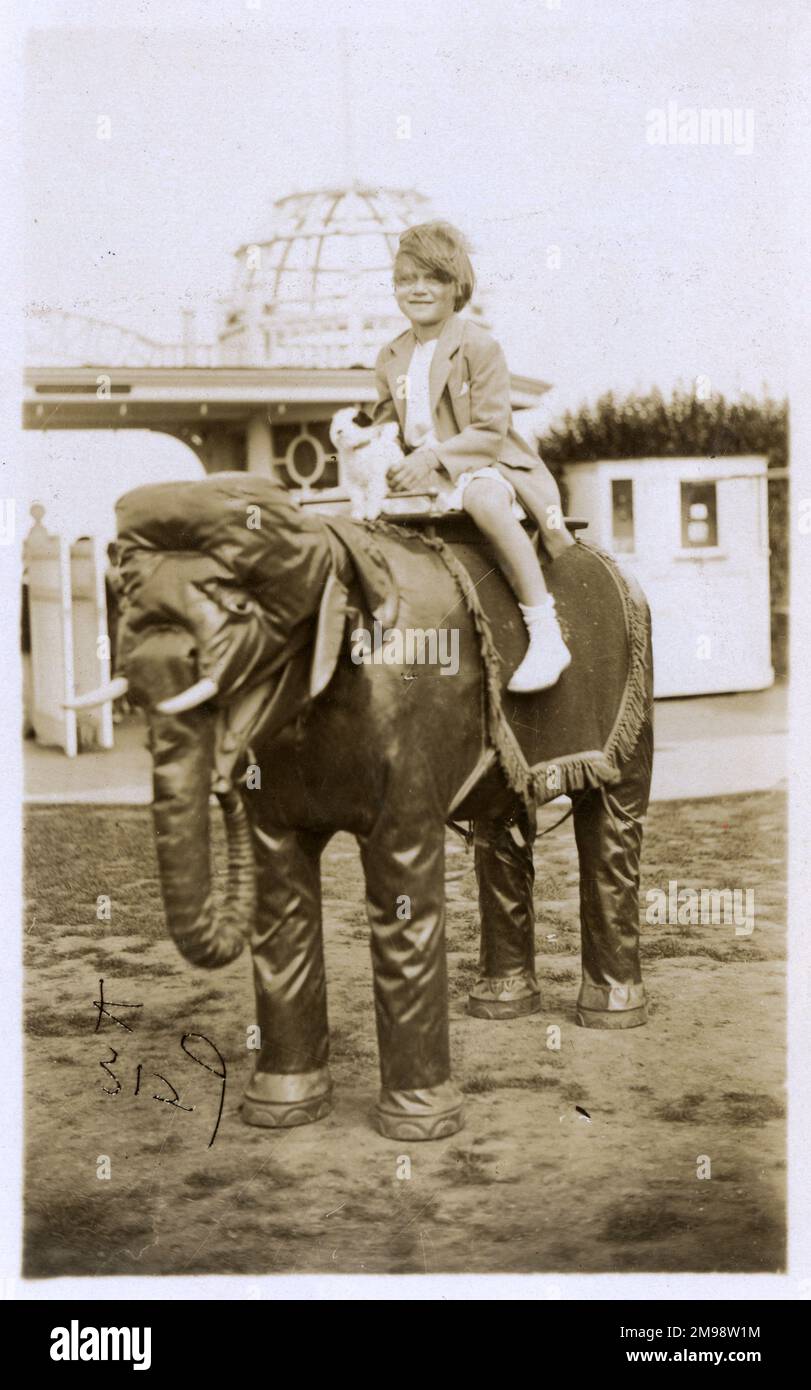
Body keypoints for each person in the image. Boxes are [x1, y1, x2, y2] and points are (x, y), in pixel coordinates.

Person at [372, 220, 573, 692]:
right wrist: (377, 456)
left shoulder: (479, 345)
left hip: (482, 465)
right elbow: (384, 425)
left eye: (433, 278)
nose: (418, 289)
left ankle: (544, 629)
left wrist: (432, 459)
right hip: (421, 476)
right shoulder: (390, 355)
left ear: (456, 286)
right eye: (406, 279)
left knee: (484, 501)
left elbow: (489, 430)